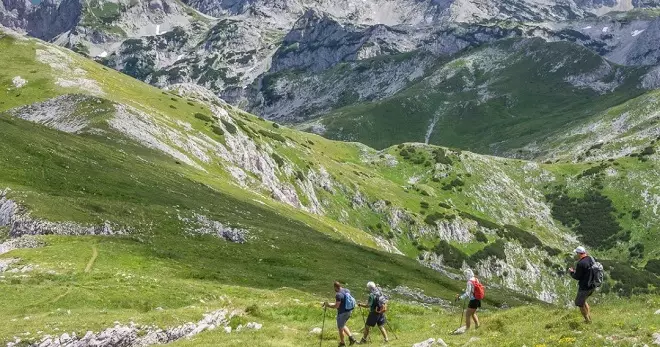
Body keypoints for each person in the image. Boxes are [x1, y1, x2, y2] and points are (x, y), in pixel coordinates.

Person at [323, 281, 358, 346]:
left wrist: (328, 305)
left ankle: (342, 343)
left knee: (340, 328)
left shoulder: (338, 295)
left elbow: (337, 306)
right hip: (349, 311)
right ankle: (351, 338)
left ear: (335, 287)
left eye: (334, 288)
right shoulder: (347, 290)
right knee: (343, 325)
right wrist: (329, 304)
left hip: (342, 313)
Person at [569, 246, 594, 323]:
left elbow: (577, 277)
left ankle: (587, 321)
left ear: (579, 253)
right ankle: (589, 318)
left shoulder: (580, 263)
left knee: (579, 303)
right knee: (584, 300)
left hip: (584, 287)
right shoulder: (590, 258)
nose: (576, 255)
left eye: (576, 253)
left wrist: (571, 272)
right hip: (592, 285)